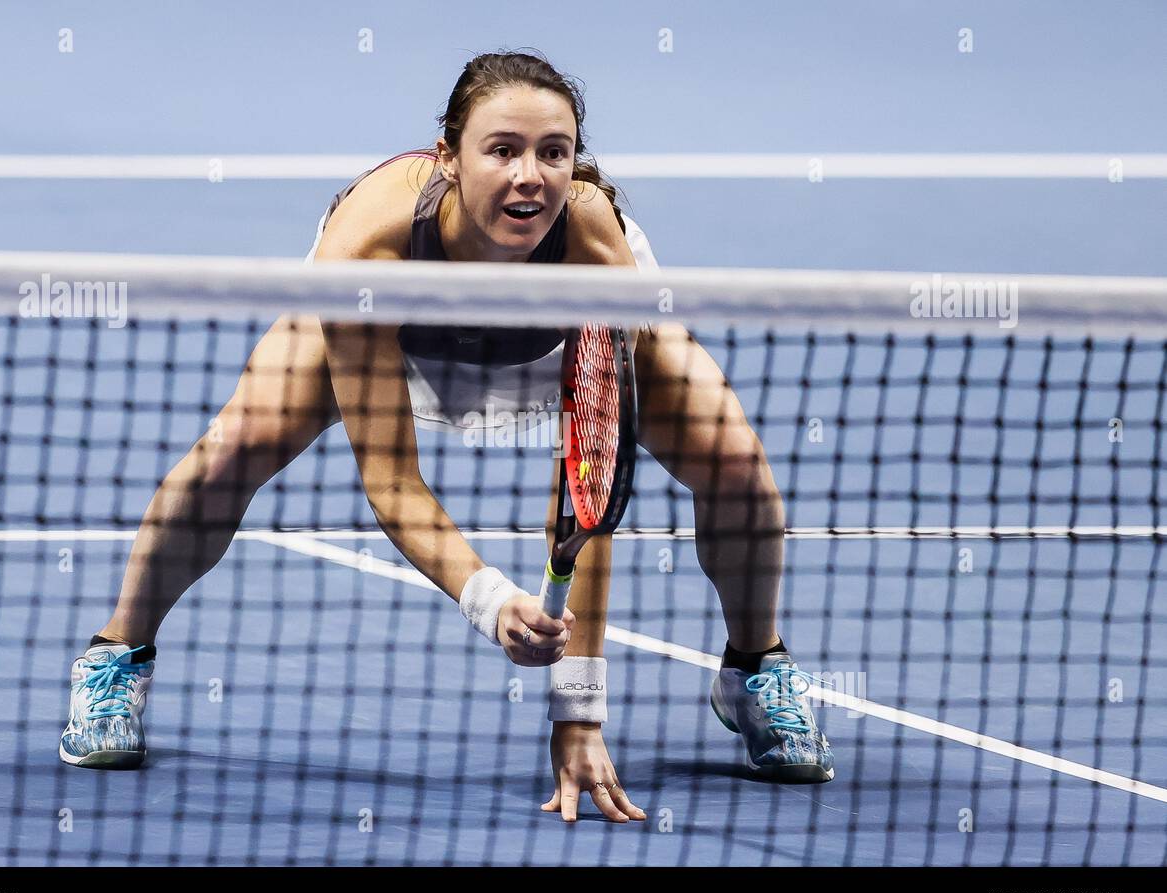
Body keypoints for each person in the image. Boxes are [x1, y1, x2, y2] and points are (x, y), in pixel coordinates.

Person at [59, 50, 834, 821]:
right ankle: (119, 653)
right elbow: (391, 480)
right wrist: (491, 601)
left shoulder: (595, 250)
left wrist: (578, 710)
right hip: (395, 326)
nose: (529, 176)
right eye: (502, 150)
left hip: (552, 337)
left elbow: (588, 484)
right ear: (449, 158)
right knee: (235, 445)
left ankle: (752, 666)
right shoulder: (367, 246)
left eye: (553, 153)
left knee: (735, 461)